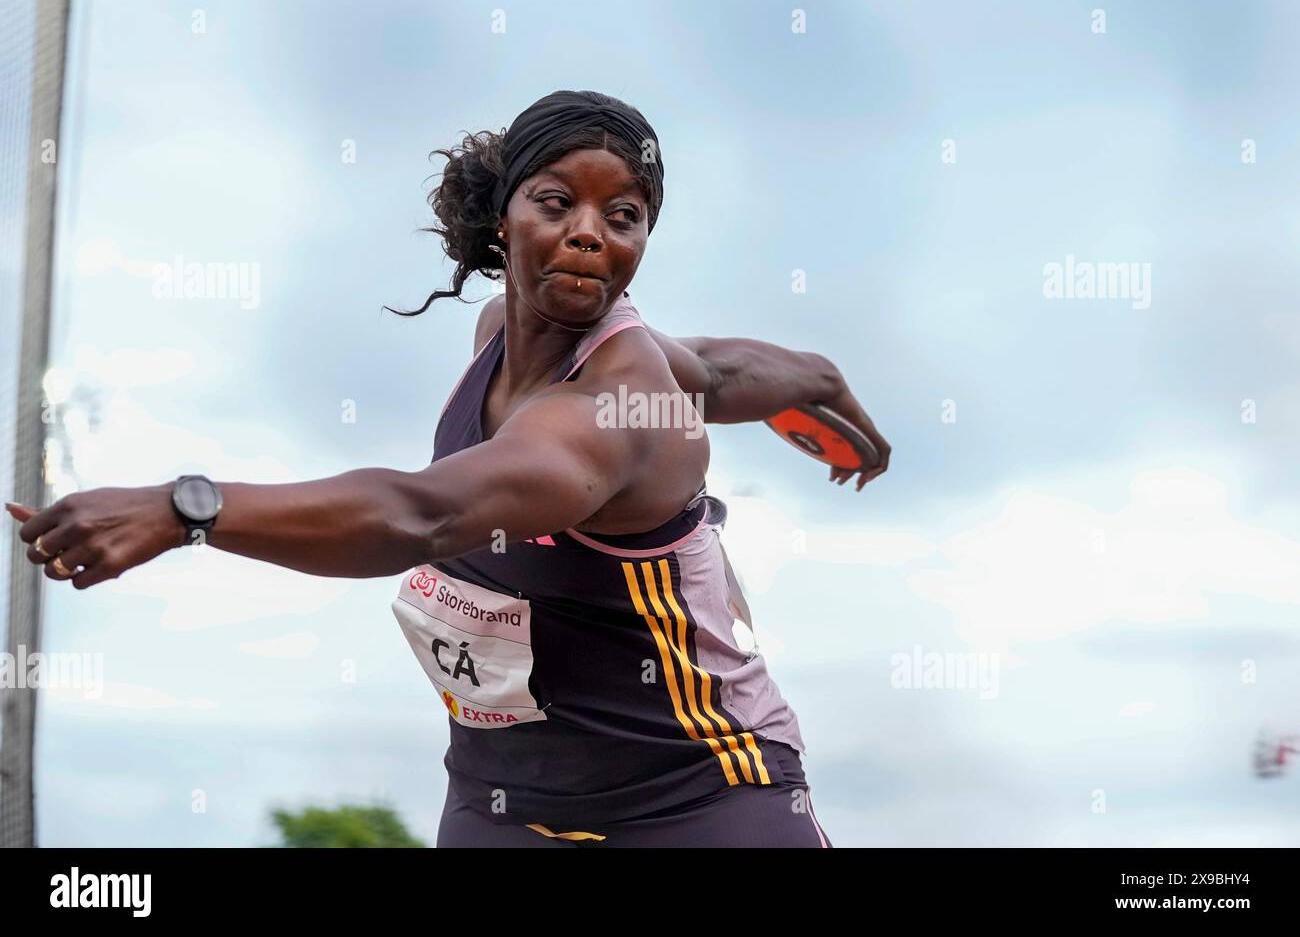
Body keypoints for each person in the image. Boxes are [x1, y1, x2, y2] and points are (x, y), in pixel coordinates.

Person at [7, 89, 890, 847]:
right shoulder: (494, 341)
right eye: (556, 204)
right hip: (505, 798)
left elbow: (418, 515)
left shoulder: (614, 408)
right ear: (502, 219)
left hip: (697, 794)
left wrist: (187, 508)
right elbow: (719, 368)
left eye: (623, 218)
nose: (589, 236)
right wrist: (816, 378)